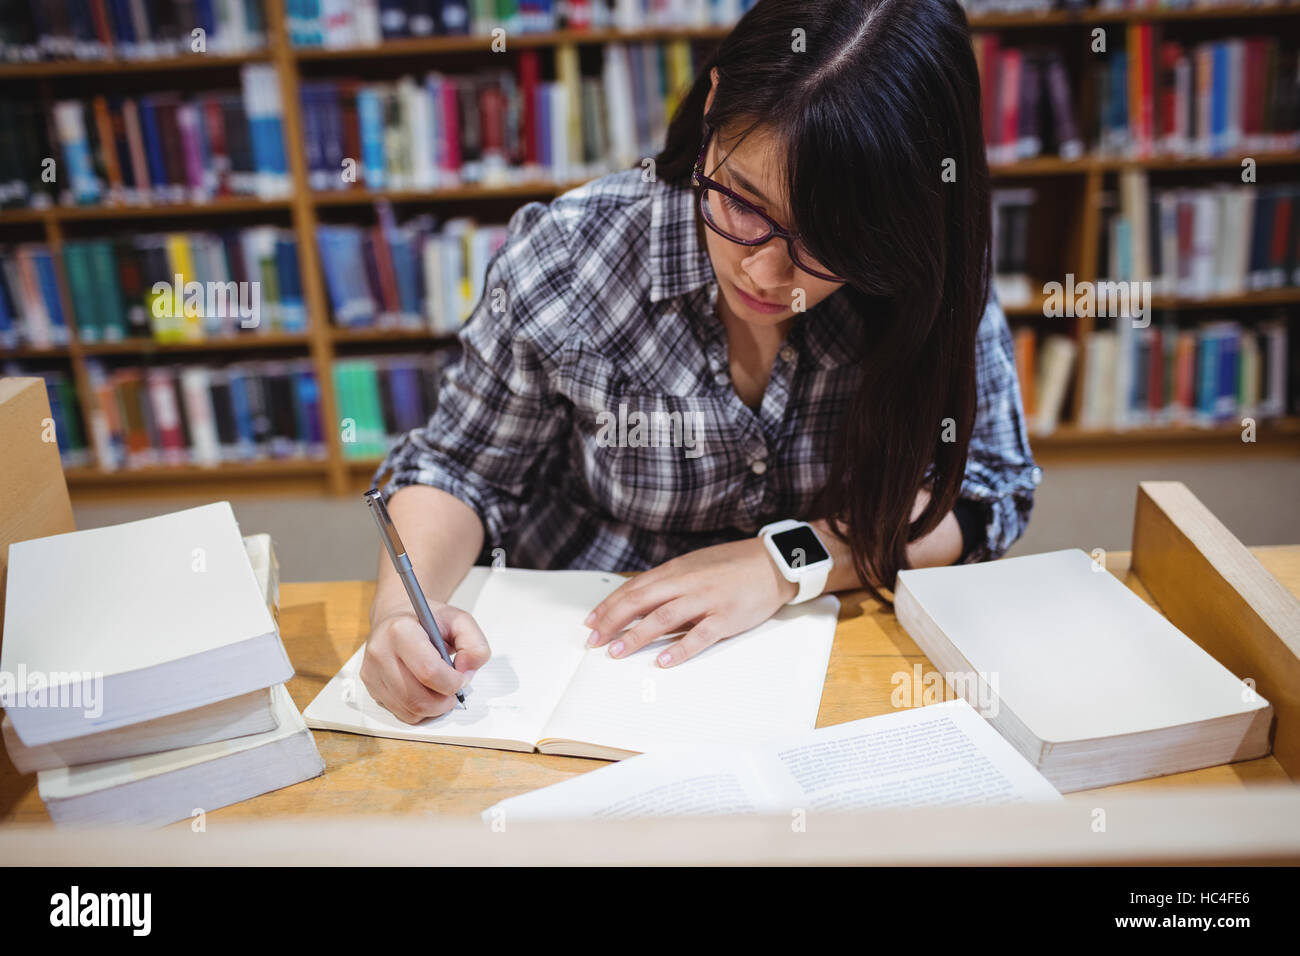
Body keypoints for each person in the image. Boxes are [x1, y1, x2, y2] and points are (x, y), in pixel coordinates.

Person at [359, 0, 1041, 724]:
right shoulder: (572, 254)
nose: (769, 274)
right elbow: (461, 470)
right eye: (743, 202)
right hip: (582, 663)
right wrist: (400, 616)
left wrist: (788, 562)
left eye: (833, 242)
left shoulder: (924, 281)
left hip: (834, 660)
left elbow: (991, 489)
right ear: (715, 105)